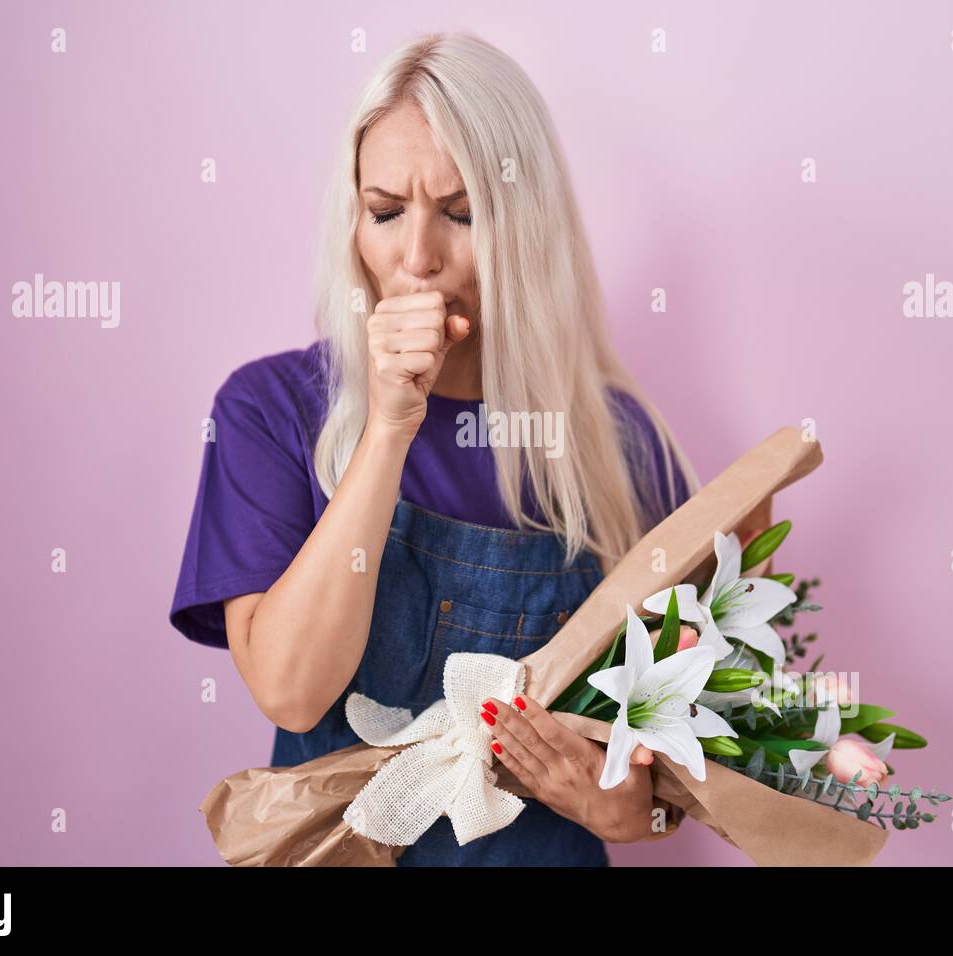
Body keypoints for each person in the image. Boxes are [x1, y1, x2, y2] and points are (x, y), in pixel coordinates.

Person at [169, 32, 705, 866]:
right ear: (352, 225)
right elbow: (292, 692)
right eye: (385, 213)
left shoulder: (620, 446)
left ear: (526, 230)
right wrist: (387, 426)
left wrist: (624, 810)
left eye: (461, 215)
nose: (416, 259)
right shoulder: (268, 413)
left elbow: (669, 781)